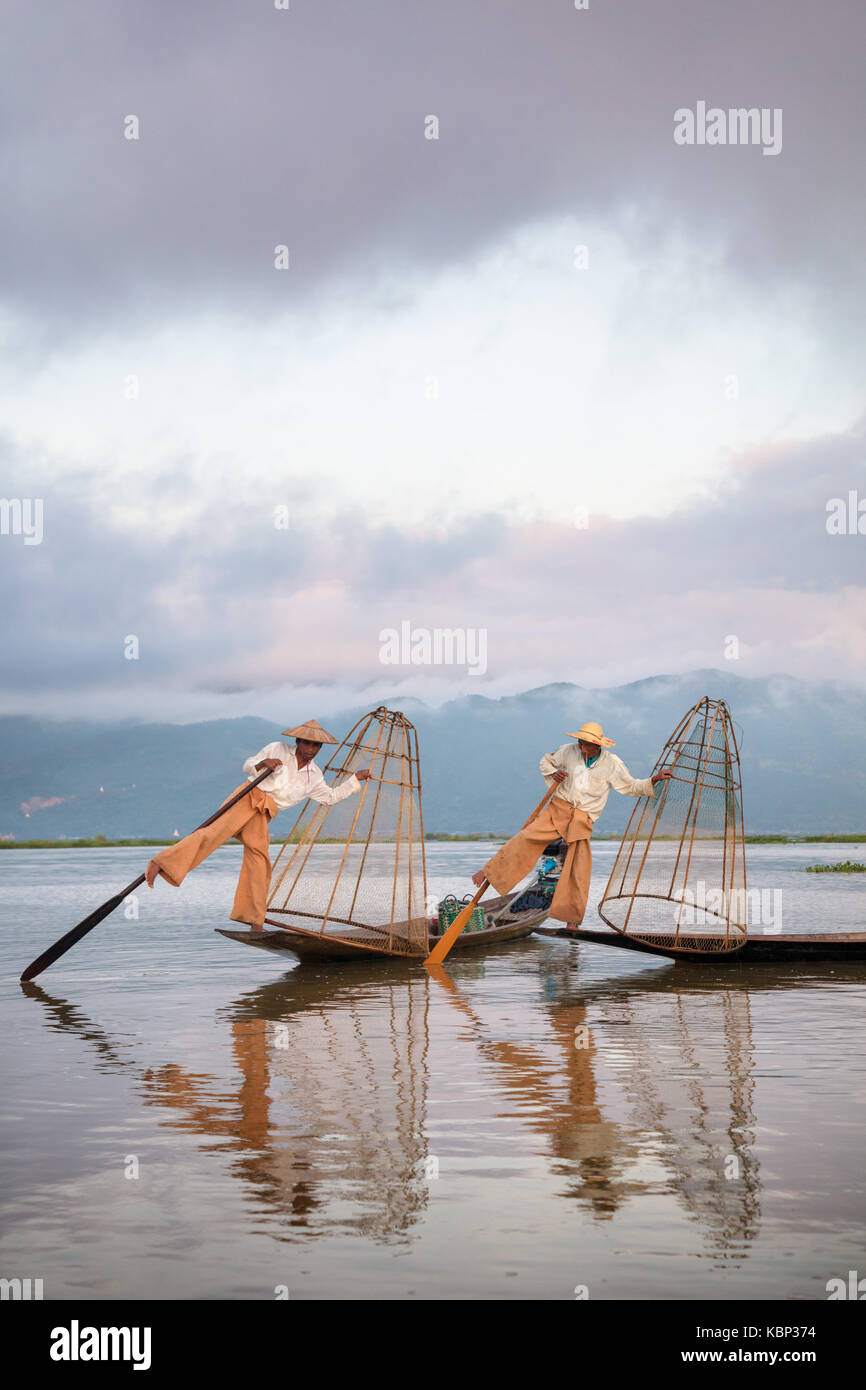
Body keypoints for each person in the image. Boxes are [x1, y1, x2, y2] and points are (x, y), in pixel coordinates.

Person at [144, 719, 371, 931]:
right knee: (211, 836)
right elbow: (248, 765)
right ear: (298, 742)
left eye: (316, 745)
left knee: (260, 861)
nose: (311, 749)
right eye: (308, 743)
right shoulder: (278, 749)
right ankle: (160, 862)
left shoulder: (314, 775)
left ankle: (254, 920)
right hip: (248, 797)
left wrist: (354, 780)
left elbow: (329, 797)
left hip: (264, 812)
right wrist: (263, 763)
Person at [472, 721, 672, 930]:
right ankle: (489, 871)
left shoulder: (612, 763)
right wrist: (553, 773)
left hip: (582, 819)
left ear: (598, 746)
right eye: (580, 742)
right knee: (526, 837)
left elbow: (631, 786)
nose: (582, 747)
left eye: (587, 744)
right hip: (559, 809)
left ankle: (572, 921)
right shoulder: (568, 752)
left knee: (579, 869)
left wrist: (655, 779)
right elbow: (546, 761)